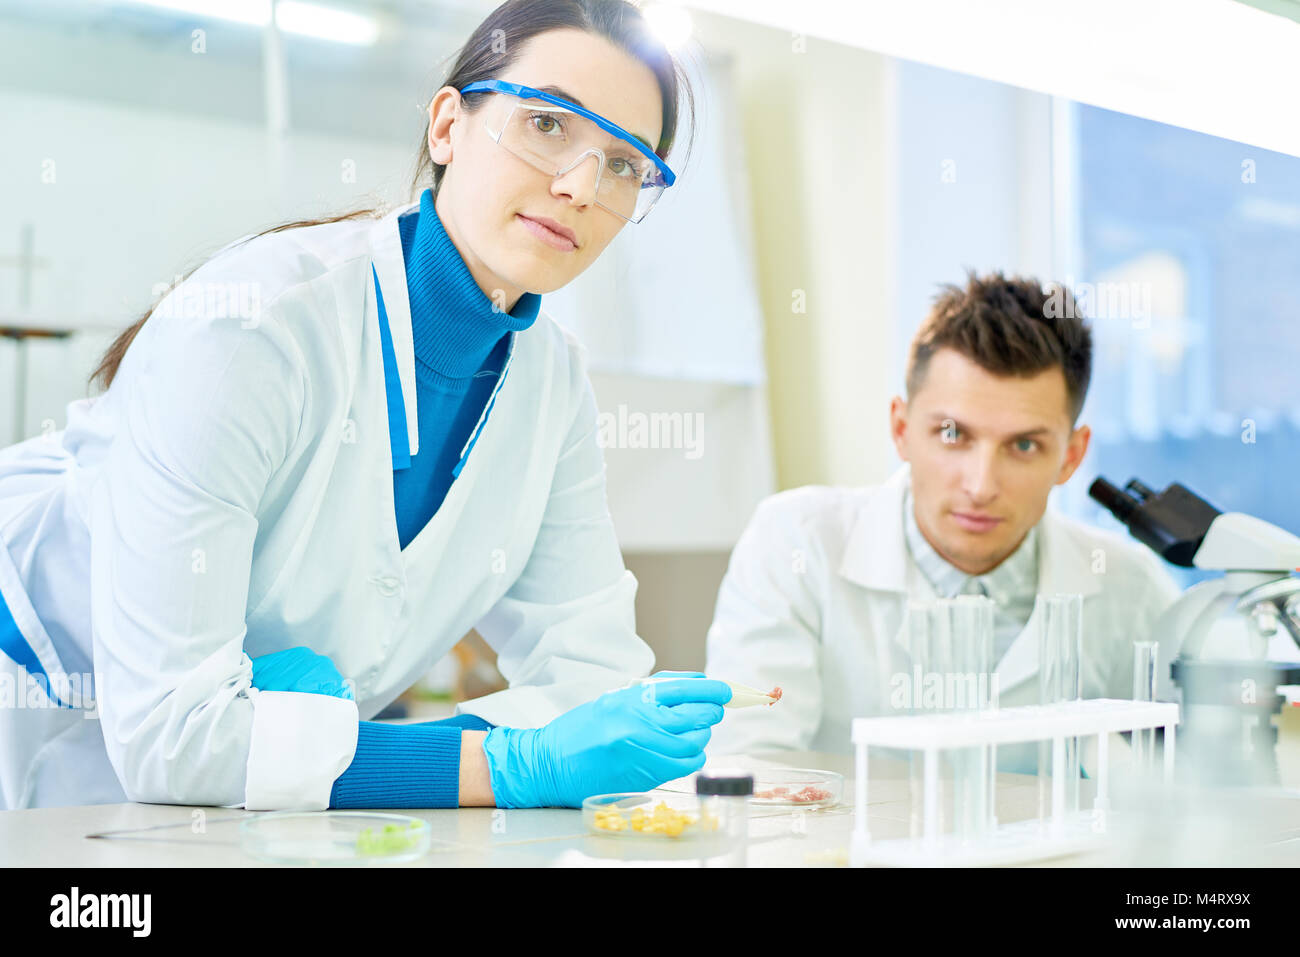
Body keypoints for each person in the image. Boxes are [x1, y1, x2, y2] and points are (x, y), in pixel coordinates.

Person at [0, 0, 731, 812]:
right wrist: (516, 764)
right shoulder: (252, 328)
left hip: (219, 804)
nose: (580, 187)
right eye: (549, 124)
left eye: (625, 164)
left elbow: (594, 679)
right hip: (31, 702)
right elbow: (175, 739)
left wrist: (308, 747)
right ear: (448, 125)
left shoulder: (552, 385)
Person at [705, 272, 1181, 761]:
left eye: (1023, 445)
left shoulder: (1132, 589)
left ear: (1071, 456)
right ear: (901, 428)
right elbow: (747, 772)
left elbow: (1186, 785)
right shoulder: (796, 544)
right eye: (953, 435)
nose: (981, 486)